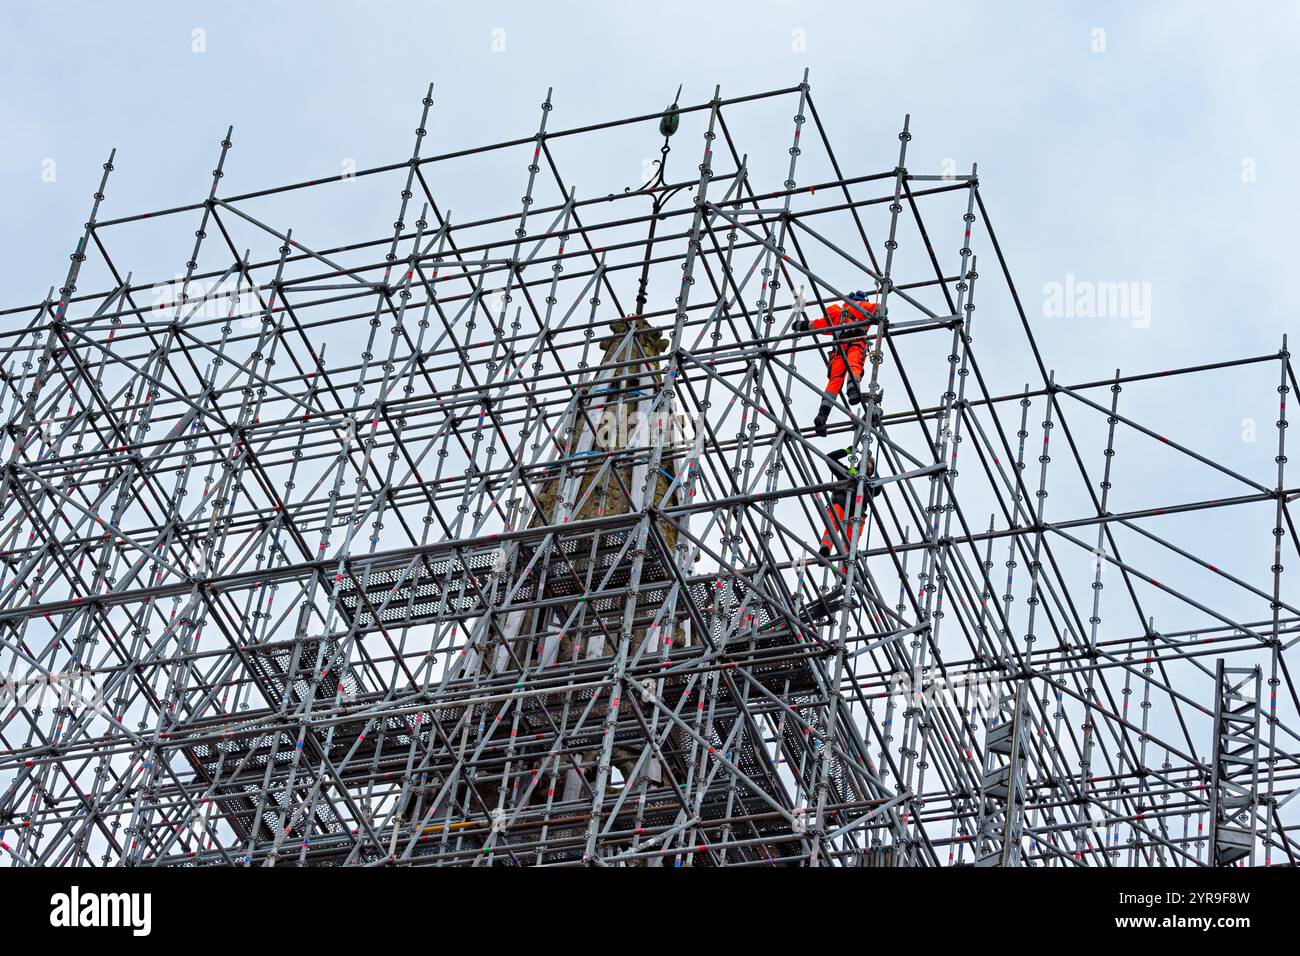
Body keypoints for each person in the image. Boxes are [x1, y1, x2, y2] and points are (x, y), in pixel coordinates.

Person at [794, 292, 880, 437]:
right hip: (856, 342)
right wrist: (881, 316)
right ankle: (853, 391)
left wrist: (799, 325)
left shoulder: (837, 313)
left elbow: (817, 325)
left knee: (835, 381)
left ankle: (822, 415)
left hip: (839, 348)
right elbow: (879, 308)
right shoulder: (861, 306)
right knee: (854, 366)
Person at [818, 446, 881, 558]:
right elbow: (830, 458)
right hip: (841, 503)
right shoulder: (847, 473)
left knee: (851, 541)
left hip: (858, 511)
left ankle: (846, 564)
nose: (869, 470)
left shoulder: (870, 484)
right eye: (866, 465)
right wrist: (846, 452)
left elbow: (878, 489)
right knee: (833, 523)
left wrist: (870, 475)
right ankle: (826, 548)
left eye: (871, 469)